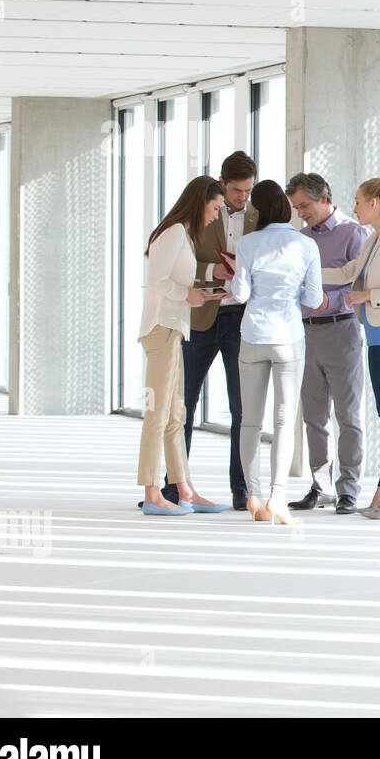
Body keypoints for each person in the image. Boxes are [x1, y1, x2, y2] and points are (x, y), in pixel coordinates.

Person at [163, 151, 259, 511]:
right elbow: (180, 261)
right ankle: (175, 487)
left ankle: (241, 488)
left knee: (242, 408)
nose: (242, 198)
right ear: (222, 182)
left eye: (247, 191)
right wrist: (211, 272)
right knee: (183, 405)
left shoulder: (257, 216)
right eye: (236, 190)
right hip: (200, 317)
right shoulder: (200, 214)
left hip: (240, 320)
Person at [229, 180, 326, 525]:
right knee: (284, 421)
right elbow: (314, 300)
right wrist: (292, 293)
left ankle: (254, 497)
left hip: (253, 335)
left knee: (249, 421)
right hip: (288, 337)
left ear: (256, 210)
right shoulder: (305, 244)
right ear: (286, 207)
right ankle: (278, 499)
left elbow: (240, 295)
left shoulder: (248, 242)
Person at [321, 175, 380, 520]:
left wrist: (366, 296)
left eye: (359, 201)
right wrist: (309, 272)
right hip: (377, 333)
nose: (355, 207)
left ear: (374, 203)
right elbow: (348, 271)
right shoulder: (375, 239)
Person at [137, 177, 231, 516]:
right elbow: (155, 280)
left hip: (174, 329)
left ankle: (184, 488)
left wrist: (199, 292)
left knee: (177, 414)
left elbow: (173, 281)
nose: (216, 215)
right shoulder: (175, 231)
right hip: (161, 329)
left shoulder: (184, 236)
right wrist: (187, 294)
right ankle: (152, 492)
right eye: (216, 208)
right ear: (200, 201)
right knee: (158, 414)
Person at [285, 173, 369, 515]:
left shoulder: (354, 232)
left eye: (305, 205)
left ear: (324, 198)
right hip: (306, 334)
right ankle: (321, 488)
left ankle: (348, 488)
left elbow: (358, 284)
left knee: (348, 416)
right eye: (296, 207)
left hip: (342, 331)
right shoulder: (300, 238)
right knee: (314, 417)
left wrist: (327, 302)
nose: (301, 213)